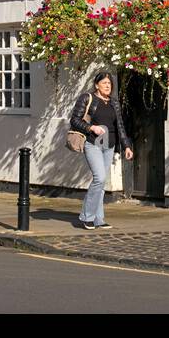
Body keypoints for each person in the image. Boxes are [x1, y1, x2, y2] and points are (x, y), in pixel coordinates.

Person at [68, 71, 133, 229]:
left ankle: (98, 219)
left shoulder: (114, 102)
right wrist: (91, 127)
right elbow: (74, 120)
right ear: (96, 85)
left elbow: (120, 126)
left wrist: (126, 146)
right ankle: (86, 216)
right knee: (99, 178)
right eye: (104, 83)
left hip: (108, 144)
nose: (107, 86)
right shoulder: (87, 98)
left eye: (109, 83)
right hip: (92, 143)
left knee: (102, 182)